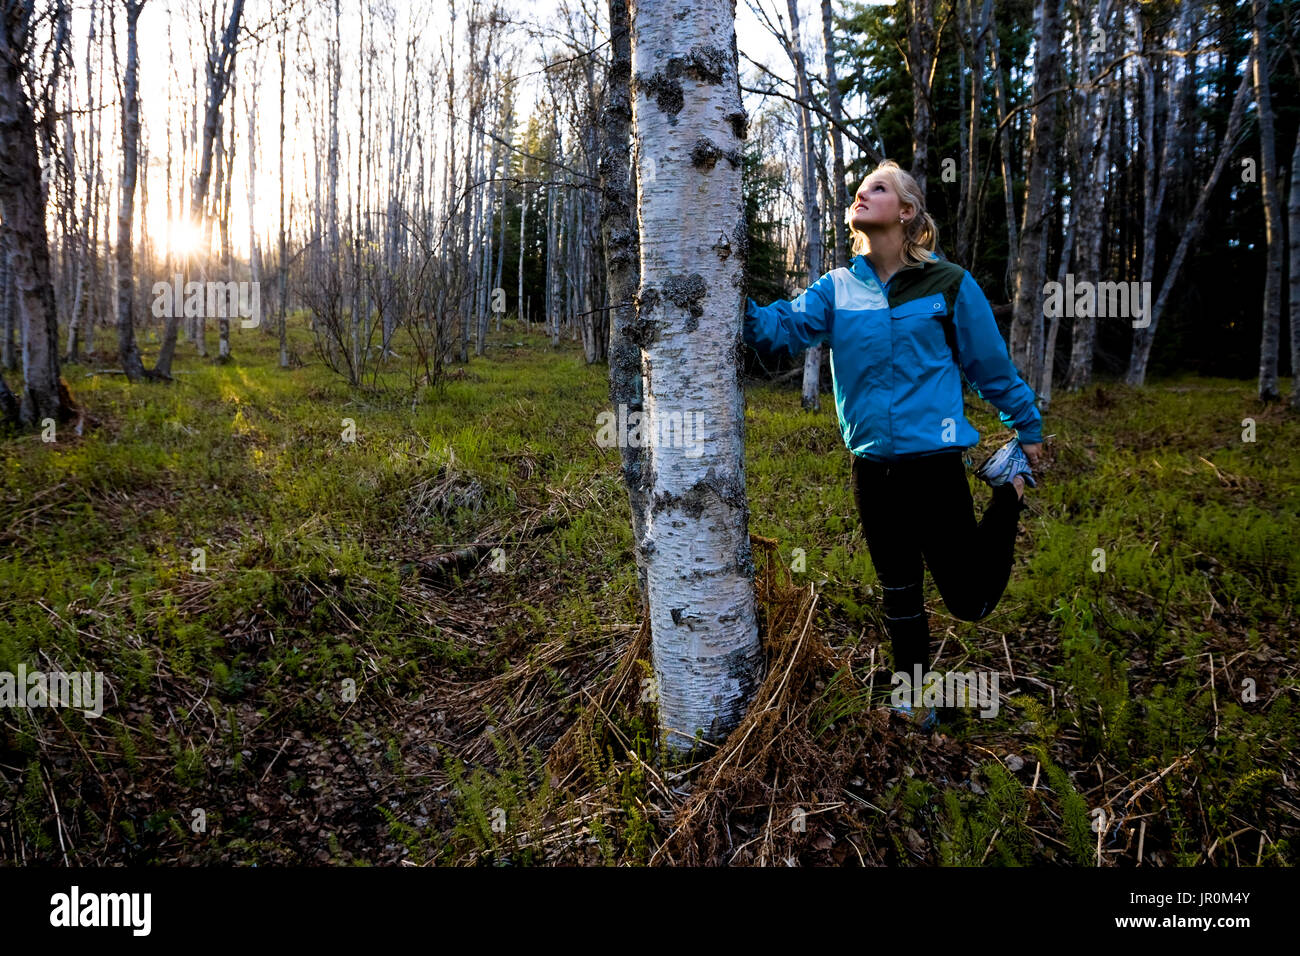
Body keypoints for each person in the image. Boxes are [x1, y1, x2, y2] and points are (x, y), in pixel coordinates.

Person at [743, 159, 1043, 733]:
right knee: (900, 595)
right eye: (859, 190)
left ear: (906, 212)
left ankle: (1010, 491)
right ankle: (917, 701)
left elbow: (991, 369)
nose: (863, 194)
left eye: (878, 189)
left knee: (969, 602)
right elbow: (778, 331)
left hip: (935, 466)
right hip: (871, 470)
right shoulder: (838, 287)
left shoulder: (948, 284)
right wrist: (725, 294)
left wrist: (1027, 430)